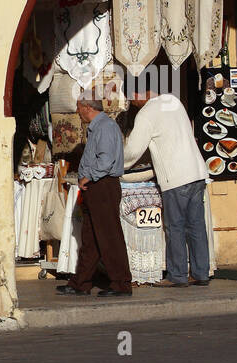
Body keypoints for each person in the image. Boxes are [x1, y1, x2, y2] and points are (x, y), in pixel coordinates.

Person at [122, 88, 211, 287]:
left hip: (176, 177)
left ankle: (177, 275)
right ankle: (201, 273)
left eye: (131, 99)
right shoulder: (173, 101)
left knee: (175, 227)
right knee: (196, 226)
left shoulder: (147, 113)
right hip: (197, 172)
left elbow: (133, 151)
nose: (132, 104)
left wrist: (117, 164)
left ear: (139, 94)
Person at [58, 96, 133, 297]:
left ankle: (121, 283)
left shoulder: (105, 127)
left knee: (109, 236)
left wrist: (87, 177)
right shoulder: (97, 127)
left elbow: (106, 160)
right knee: (90, 238)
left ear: (87, 108)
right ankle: (81, 283)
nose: (77, 112)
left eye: (79, 108)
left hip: (103, 185)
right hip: (96, 186)